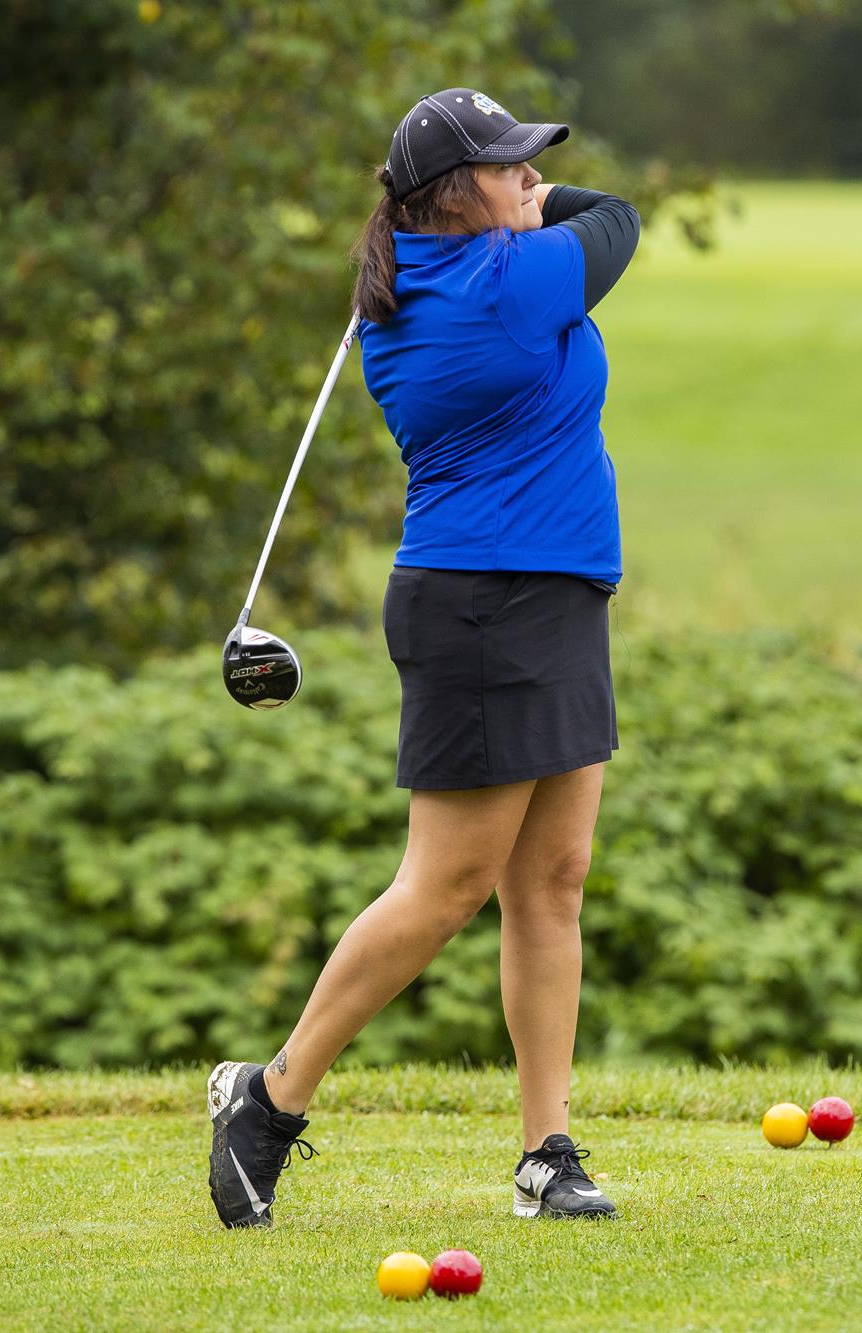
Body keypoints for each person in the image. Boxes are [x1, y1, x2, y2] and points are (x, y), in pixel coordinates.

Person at [206, 87, 641, 1229]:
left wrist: (518, 203)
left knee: (551, 881)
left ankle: (544, 1153)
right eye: (511, 168)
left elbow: (580, 218)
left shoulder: (439, 277)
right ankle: (269, 1095)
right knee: (445, 887)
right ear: (459, 198)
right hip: (483, 605)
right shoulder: (499, 288)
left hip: (552, 598)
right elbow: (618, 219)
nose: (536, 180)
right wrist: (544, 211)